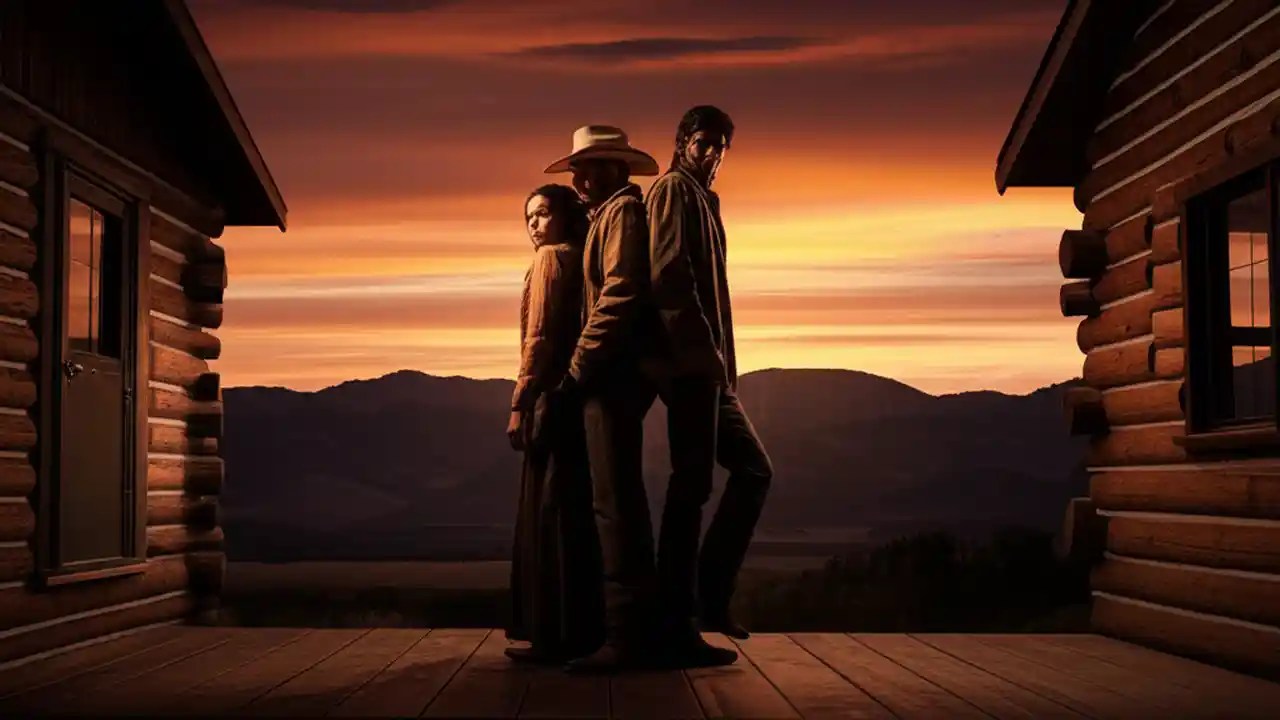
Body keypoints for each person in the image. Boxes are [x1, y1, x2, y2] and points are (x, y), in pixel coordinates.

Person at [646, 106, 774, 646]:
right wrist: (702, 356)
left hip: (711, 370)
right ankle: (676, 618)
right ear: (681, 143)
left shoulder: (706, 199)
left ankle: (705, 602)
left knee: (749, 472)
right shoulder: (673, 191)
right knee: (693, 485)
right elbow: (669, 276)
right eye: (704, 143)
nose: (714, 155)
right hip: (690, 366)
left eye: (722, 147)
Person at [504, 184, 604, 665]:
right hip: (579, 395)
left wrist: (520, 402)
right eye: (528, 218)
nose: (534, 225)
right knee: (570, 509)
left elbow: (539, 338)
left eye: (543, 213)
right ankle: (577, 629)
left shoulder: (551, 261)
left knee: (546, 511)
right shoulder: (586, 258)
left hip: (549, 394)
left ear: (564, 215)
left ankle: (549, 634)